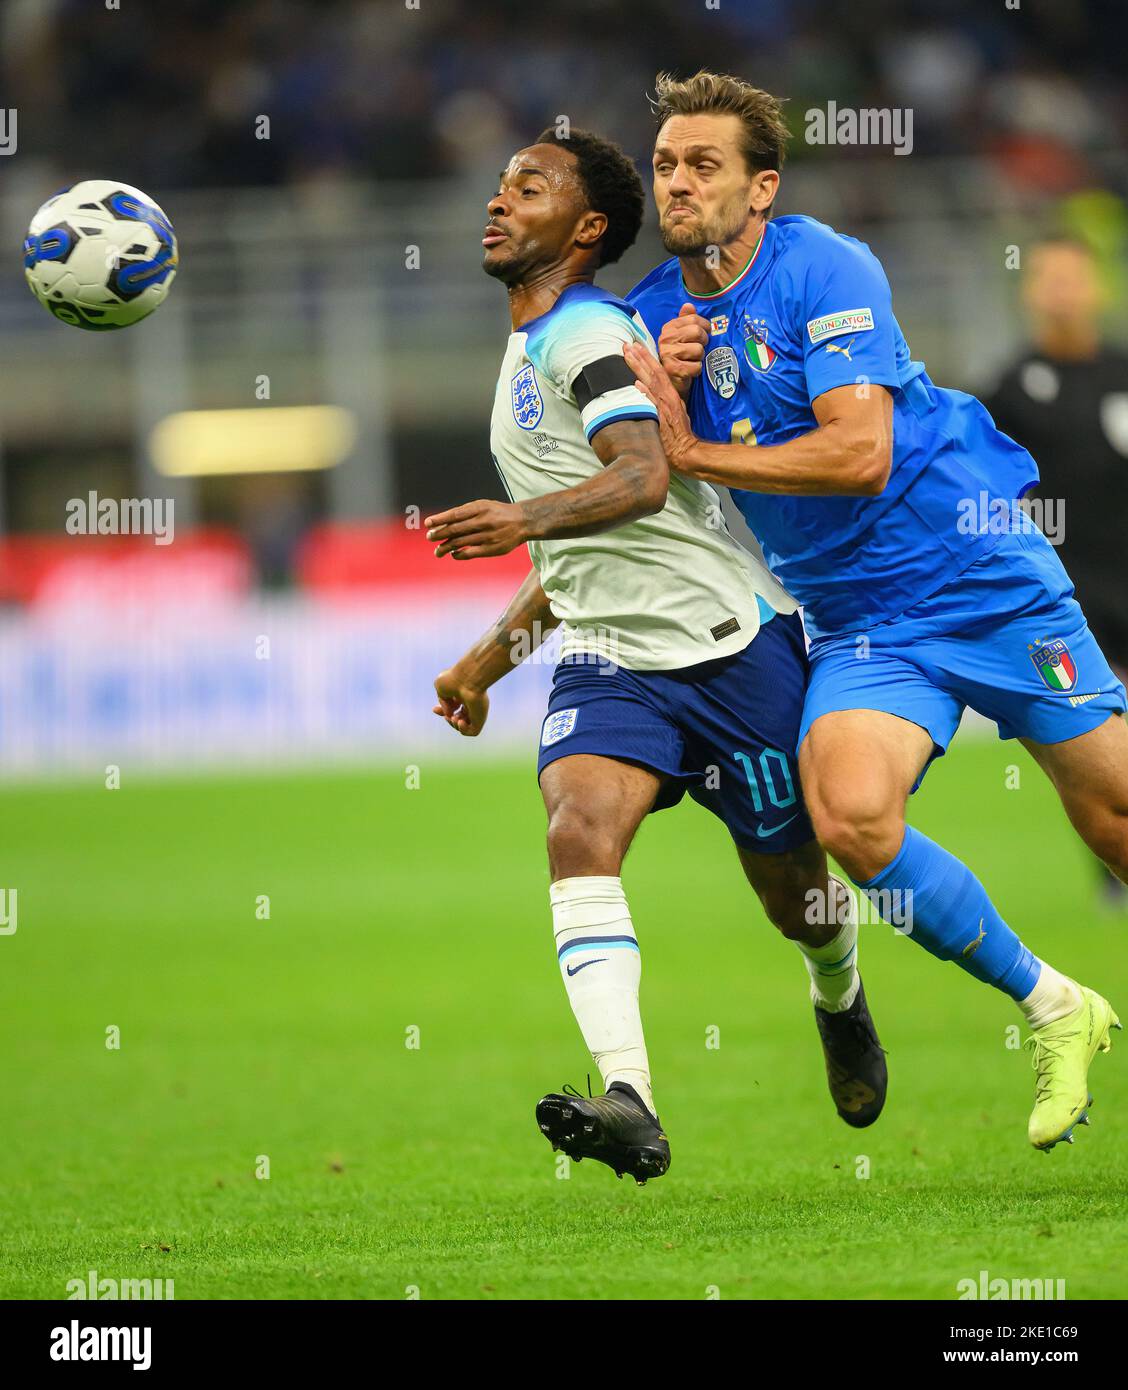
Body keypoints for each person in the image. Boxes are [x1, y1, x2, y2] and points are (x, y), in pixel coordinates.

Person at [624, 70, 1124, 1151]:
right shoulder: (650, 320)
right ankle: (1055, 1005)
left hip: (979, 574)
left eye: (703, 165)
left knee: (1111, 820)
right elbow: (640, 491)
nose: (677, 184)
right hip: (859, 621)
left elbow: (862, 451)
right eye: (665, 164)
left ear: (761, 189)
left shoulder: (827, 266)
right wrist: (654, 397)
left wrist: (689, 442)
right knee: (848, 815)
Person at [426, 127, 887, 1185]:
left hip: (732, 648)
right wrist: (485, 663)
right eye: (499, 187)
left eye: (527, 189)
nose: (498, 203)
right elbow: (586, 551)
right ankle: (629, 1095)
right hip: (611, 657)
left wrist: (518, 515)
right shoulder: (544, 333)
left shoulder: (585, 332)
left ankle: (839, 992)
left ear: (585, 230)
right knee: (577, 827)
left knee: (793, 896)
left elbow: (638, 478)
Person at [985, 236, 1128, 908]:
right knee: (1097, 739)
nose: (1061, 291)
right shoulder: (1010, 393)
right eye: (1048, 278)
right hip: (1066, 599)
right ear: (1029, 291)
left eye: (1073, 277)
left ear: (1097, 287)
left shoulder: (1123, 372)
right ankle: (1112, 872)